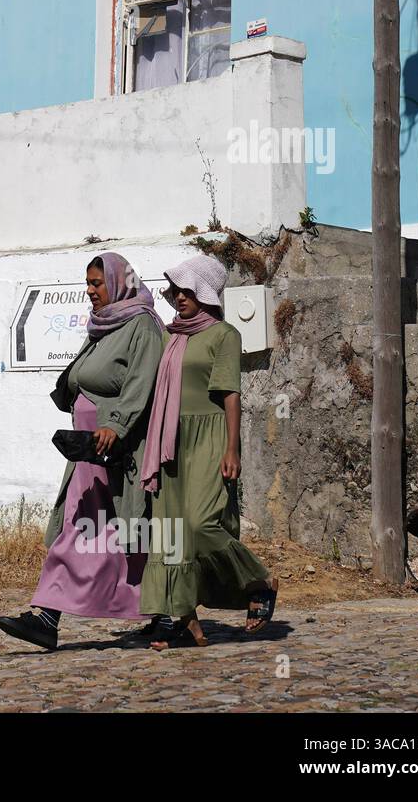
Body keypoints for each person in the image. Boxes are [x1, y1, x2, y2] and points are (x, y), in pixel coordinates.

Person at [0, 253, 163, 651]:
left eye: (97, 284)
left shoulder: (142, 325)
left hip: (118, 451)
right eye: (88, 284)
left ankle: (163, 613)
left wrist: (116, 424)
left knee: (127, 531)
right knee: (82, 527)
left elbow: (143, 382)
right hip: (88, 453)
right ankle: (49, 618)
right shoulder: (104, 326)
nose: (90, 292)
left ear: (118, 282)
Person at [139, 254, 279, 650]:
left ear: (205, 294)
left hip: (209, 437)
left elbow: (230, 394)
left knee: (201, 526)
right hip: (169, 440)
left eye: (188, 290)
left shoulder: (224, 335)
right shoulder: (170, 335)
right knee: (171, 535)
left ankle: (259, 581)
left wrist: (232, 448)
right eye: (177, 290)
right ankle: (186, 623)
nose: (179, 297)